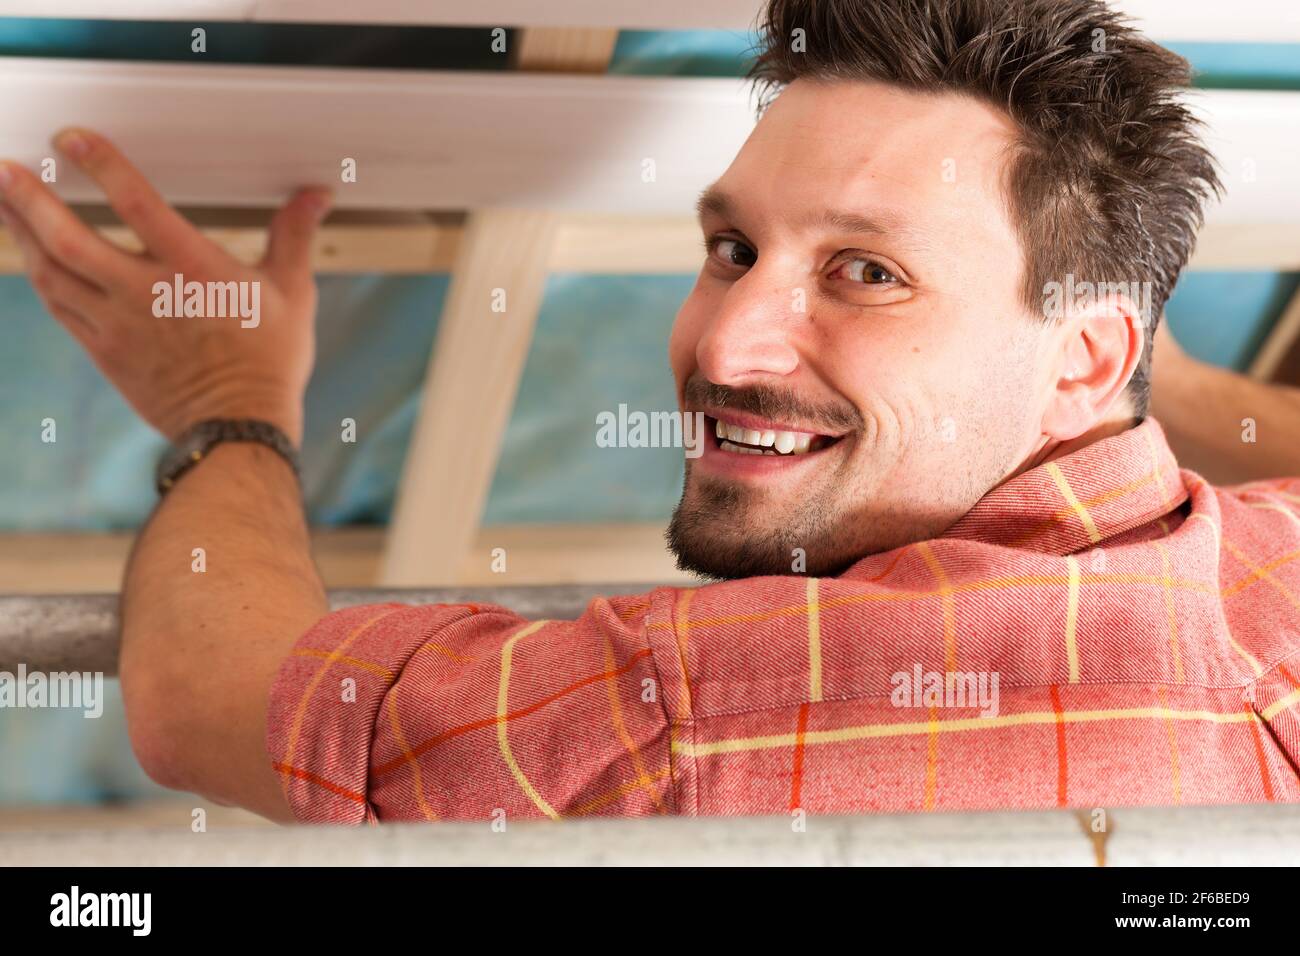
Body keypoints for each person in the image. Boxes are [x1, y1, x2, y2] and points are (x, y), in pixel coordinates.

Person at [1, 0, 1298, 823]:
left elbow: (212, 701)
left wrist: (225, 401)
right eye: (732, 247)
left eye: (867, 273)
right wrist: (1114, 381)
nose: (724, 341)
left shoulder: (717, 715)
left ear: (1084, 355)